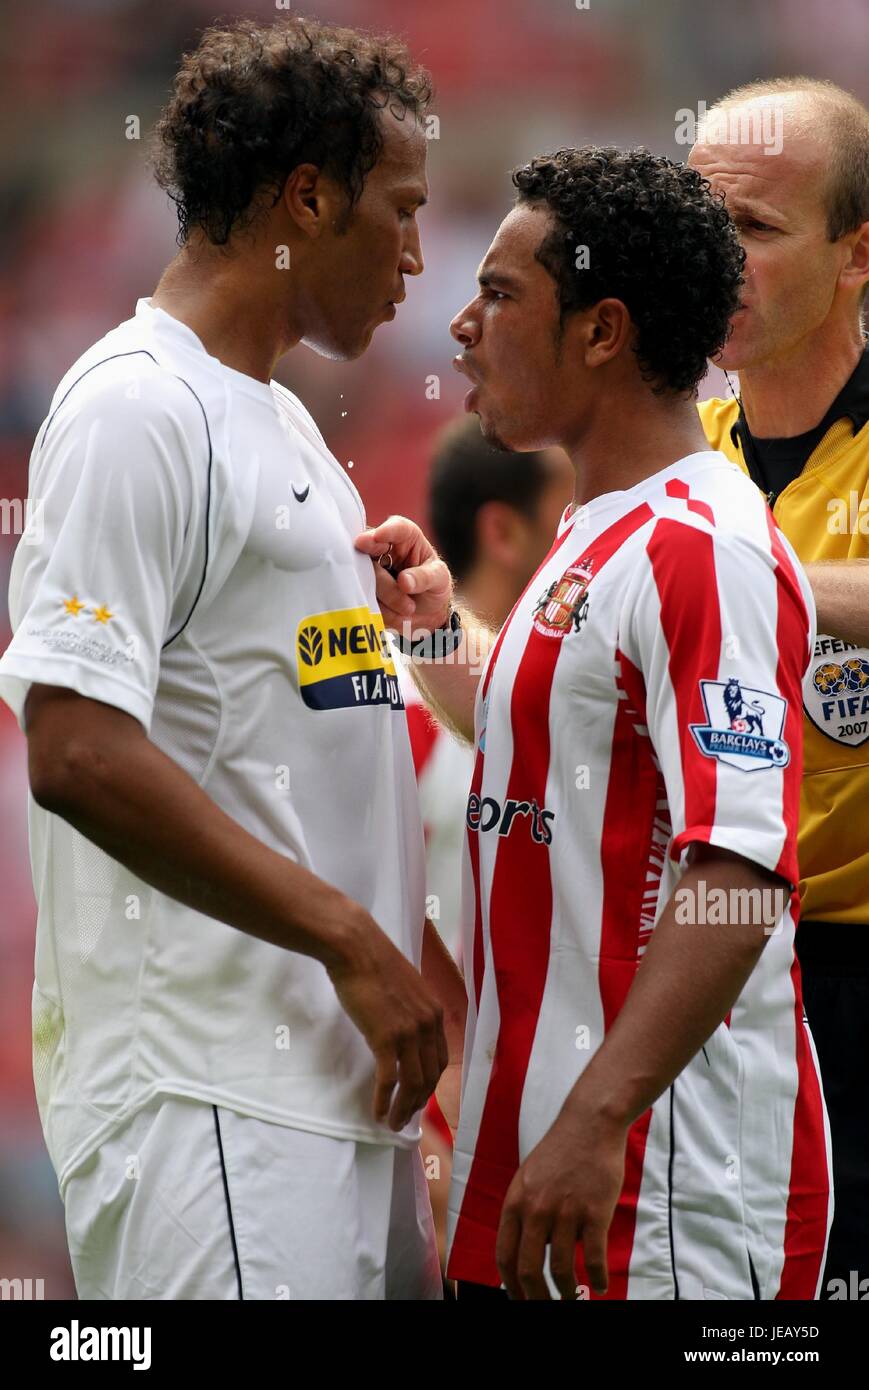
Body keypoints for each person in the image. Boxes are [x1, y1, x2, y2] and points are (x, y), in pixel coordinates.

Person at [0, 15, 468, 1301]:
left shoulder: (276, 423)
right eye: (400, 210)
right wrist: (353, 944)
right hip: (210, 1095)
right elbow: (77, 748)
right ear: (306, 199)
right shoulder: (135, 405)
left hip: (330, 1098)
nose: (419, 259)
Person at [356, 146, 831, 1300]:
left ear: (603, 331)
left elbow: (739, 867)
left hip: (663, 1187)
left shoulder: (700, 545)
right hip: (544, 1161)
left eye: (500, 294)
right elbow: (556, 744)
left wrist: (598, 1116)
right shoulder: (598, 523)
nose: (458, 326)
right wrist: (430, 631)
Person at [690, 77, 869, 1296]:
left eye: (752, 229)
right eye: (701, 226)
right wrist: (437, 637)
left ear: (858, 254)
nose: (717, 262)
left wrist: (759, 581)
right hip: (713, 973)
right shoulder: (684, 456)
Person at [405, 417, 572, 1271]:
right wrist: (440, 1123)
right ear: (504, 531)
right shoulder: (401, 706)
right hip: (452, 1125)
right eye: (567, 505)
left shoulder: (586, 686)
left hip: (561, 1124)